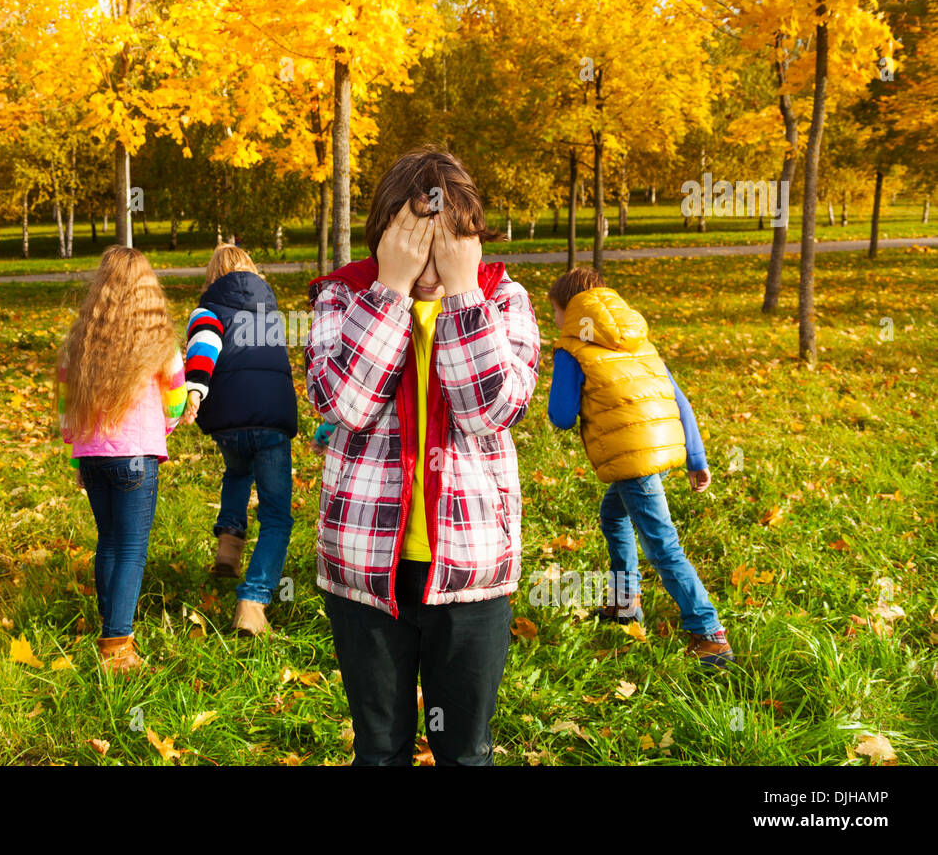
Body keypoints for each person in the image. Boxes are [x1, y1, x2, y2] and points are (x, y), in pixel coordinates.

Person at [305, 147, 541, 765]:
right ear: (386, 235)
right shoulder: (342, 297)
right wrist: (389, 290)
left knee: (464, 751)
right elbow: (344, 404)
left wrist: (463, 296)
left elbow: (492, 411)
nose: (428, 258)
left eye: (444, 241)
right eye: (414, 238)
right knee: (380, 749)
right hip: (365, 569)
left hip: (470, 573)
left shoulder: (502, 301)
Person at [545, 266, 733, 667]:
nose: (555, 321)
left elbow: (561, 415)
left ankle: (709, 633)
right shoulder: (638, 340)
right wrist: (696, 459)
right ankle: (624, 602)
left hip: (633, 458)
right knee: (612, 515)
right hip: (663, 450)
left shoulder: (572, 349)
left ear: (570, 309)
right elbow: (679, 400)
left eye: (556, 313)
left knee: (664, 547)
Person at [56, 246, 188, 673]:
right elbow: (176, 400)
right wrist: (162, 431)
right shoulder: (158, 341)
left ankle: (109, 631)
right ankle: (117, 648)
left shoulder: (80, 342)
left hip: (93, 456)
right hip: (136, 455)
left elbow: (65, 407)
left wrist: (78, 458)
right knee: (131, 548)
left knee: (109, 542)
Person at [183, 244, 297, 636]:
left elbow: (204, 347)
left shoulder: (209, 309)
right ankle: (253, 601)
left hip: (229, 420)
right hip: (273, 419)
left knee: (236, 470)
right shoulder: (271, 313)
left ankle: (229, 541)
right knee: (276, 517)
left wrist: (195, 389)